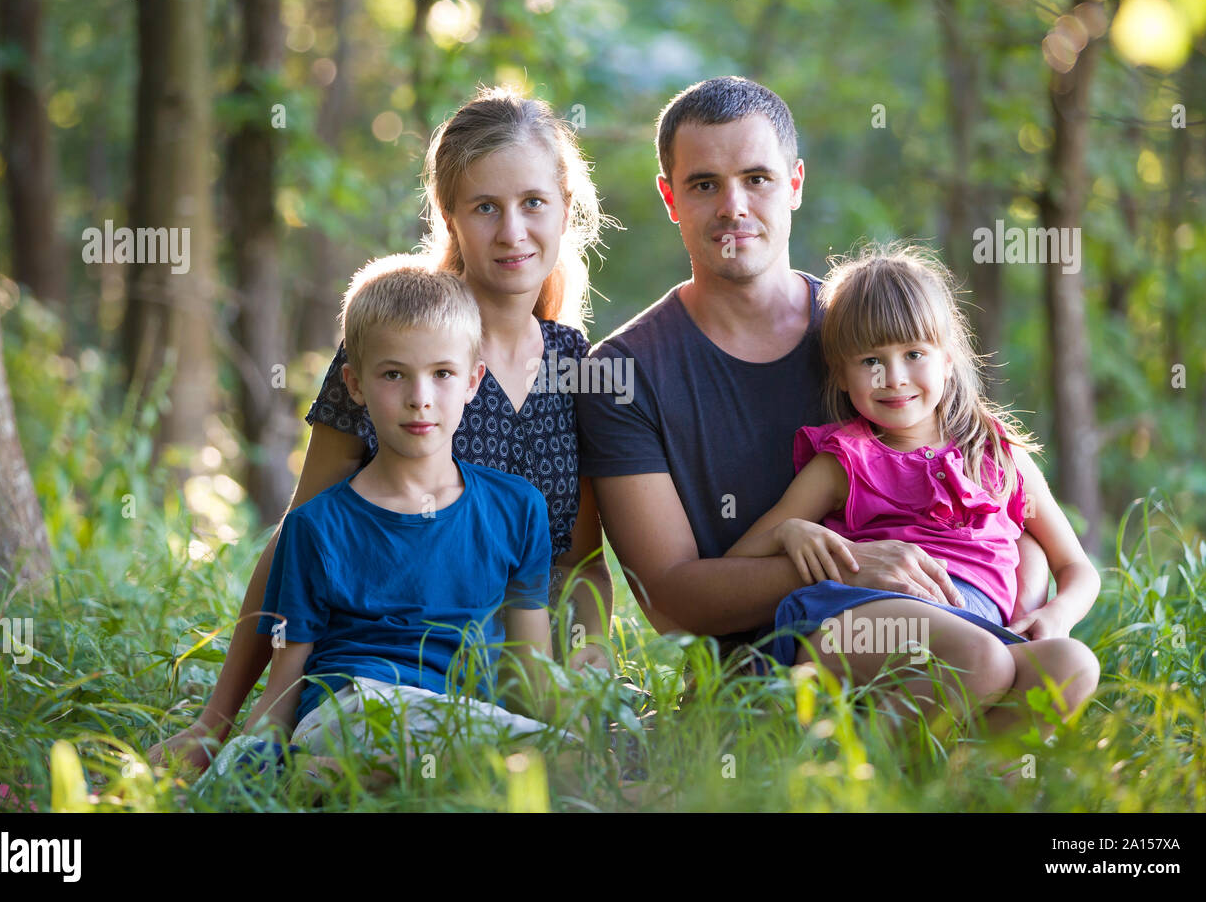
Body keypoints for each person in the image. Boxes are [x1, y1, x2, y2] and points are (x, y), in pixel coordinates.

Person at [150, 87, 613, 770]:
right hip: (374, 667)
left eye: (533, 203)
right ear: (451, 218)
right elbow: (298, 540)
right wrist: (216, 724)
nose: (513, 231)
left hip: (513, 667)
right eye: (485, 207)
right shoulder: (397, 354)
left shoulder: (577, 363)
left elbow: (582, 560)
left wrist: (590, 667)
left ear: (565, 210)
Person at [575, 74, 1051, 649]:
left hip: (956, 632)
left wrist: (1019, 575)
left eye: (757, 179)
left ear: (795, 183)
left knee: (1046, 679)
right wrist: (848, 566)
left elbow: (987, 484)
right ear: (670, 197)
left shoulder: (878, 335)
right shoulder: (622, 377)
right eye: (704, 184)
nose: (734, 208)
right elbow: (673, 604)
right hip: (772, 687)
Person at [203, 264, 566, 787]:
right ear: (354, 383)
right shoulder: (316, 527)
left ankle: (328, 783)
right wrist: (238, 754)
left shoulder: (517, 509)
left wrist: (571, 729)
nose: (420, 397)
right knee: (504, 763)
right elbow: (284, 684)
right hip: (351, 705)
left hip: (460, 715)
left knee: (562, 758)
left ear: (472, 380)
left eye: (442, 374)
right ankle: (298, 777)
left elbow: (535, 673)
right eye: (394, 374)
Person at [724, 245, 1100, 734]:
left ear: (947, 360)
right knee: (978, 658)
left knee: (1072, 665)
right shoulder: (845, 462)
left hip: (976, 638)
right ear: (840, 373)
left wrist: (1057, 615)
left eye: (914, 354)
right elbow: (740, 559)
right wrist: (790, 532)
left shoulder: (1001, 457)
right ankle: (860, 784)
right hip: (852, 627)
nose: (894, 378)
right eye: (870, 361)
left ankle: (966, 780)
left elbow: (1075, 567)